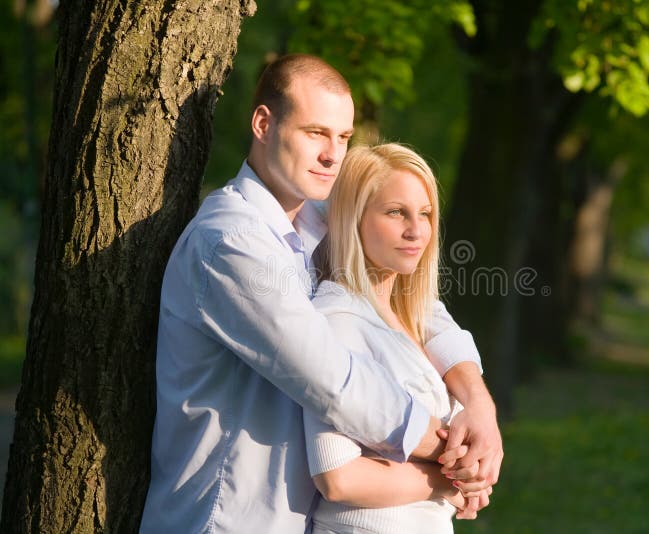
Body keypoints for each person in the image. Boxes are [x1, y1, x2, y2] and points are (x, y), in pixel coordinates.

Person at [140, 54, 502, 533]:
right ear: (264, 124)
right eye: (316, 133)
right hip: (223, 519)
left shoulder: (317, 224)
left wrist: (478, 403)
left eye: (344, 137)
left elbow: (411, 302)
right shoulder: (231, 241)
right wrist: (457, 456)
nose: (334, 154)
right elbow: (332, 380)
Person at [305, 143, 492, 534]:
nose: (416, 230)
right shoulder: (338, 322)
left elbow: (450, 341)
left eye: (425, 214)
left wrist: (480, 428)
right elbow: (337, 478)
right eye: (396, 212)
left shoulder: (412, 315)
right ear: (354, 219)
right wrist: (450, 481)